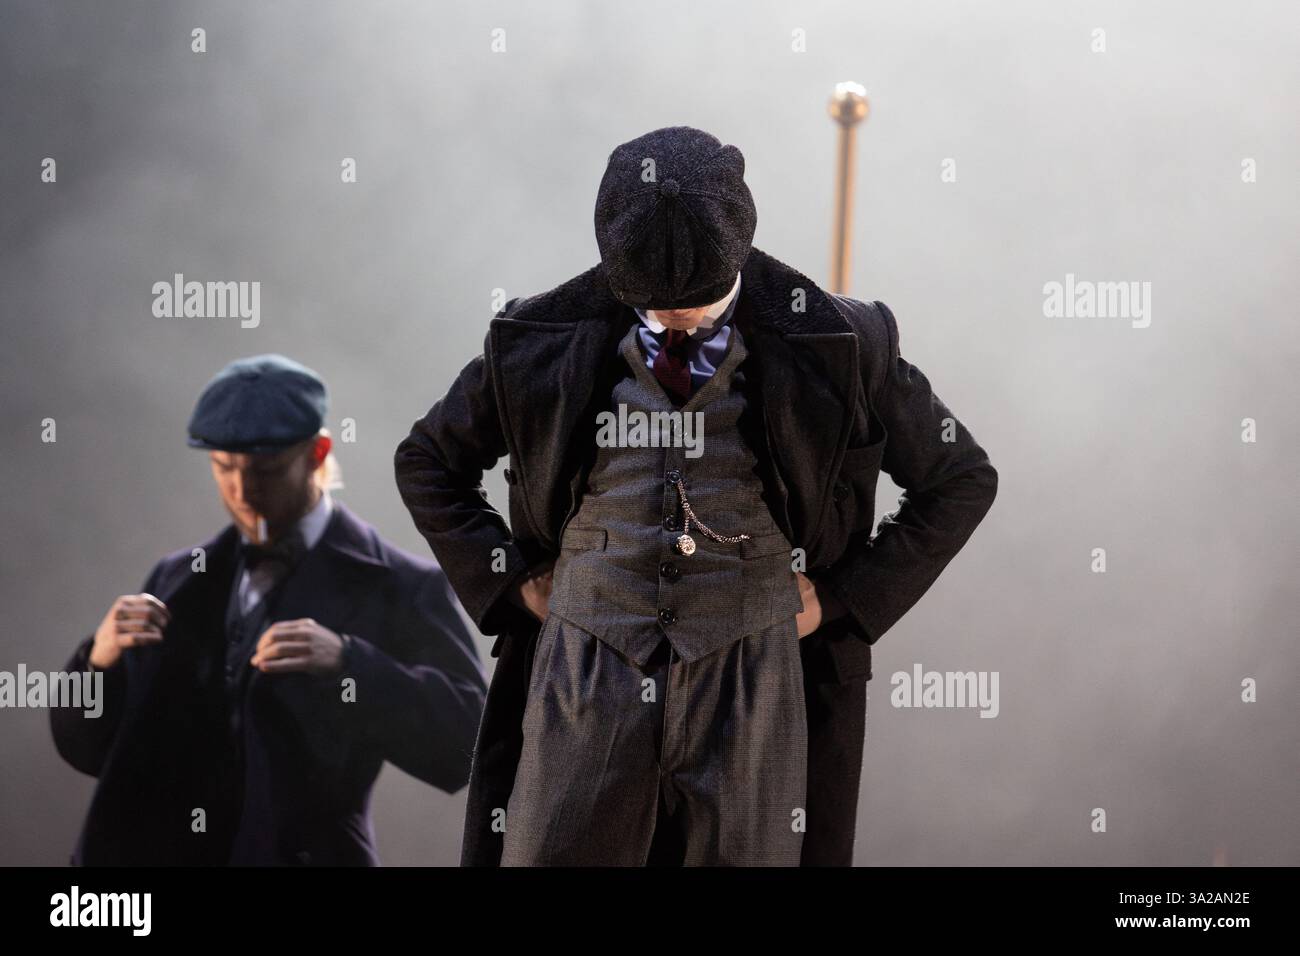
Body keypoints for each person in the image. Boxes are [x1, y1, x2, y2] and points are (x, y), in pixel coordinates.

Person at [395, 126, 998, 866]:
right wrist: (511, 584)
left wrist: (842, 600)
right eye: (650, 307)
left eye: (700, 306)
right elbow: (427, 460)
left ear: (739, 251)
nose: (675, 321)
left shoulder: (843, 339)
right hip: (582, 682)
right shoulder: (537, 335)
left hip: (760, 684)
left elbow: (960, 476)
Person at [52, 354, 487, 865]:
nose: (242, 490)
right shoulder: (177, 578)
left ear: (318, 452)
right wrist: (96, 663)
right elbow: (88, 751)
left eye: (265, 470)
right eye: (224, 468)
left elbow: (468, 743)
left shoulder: (402, 586)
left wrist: (350, 663)